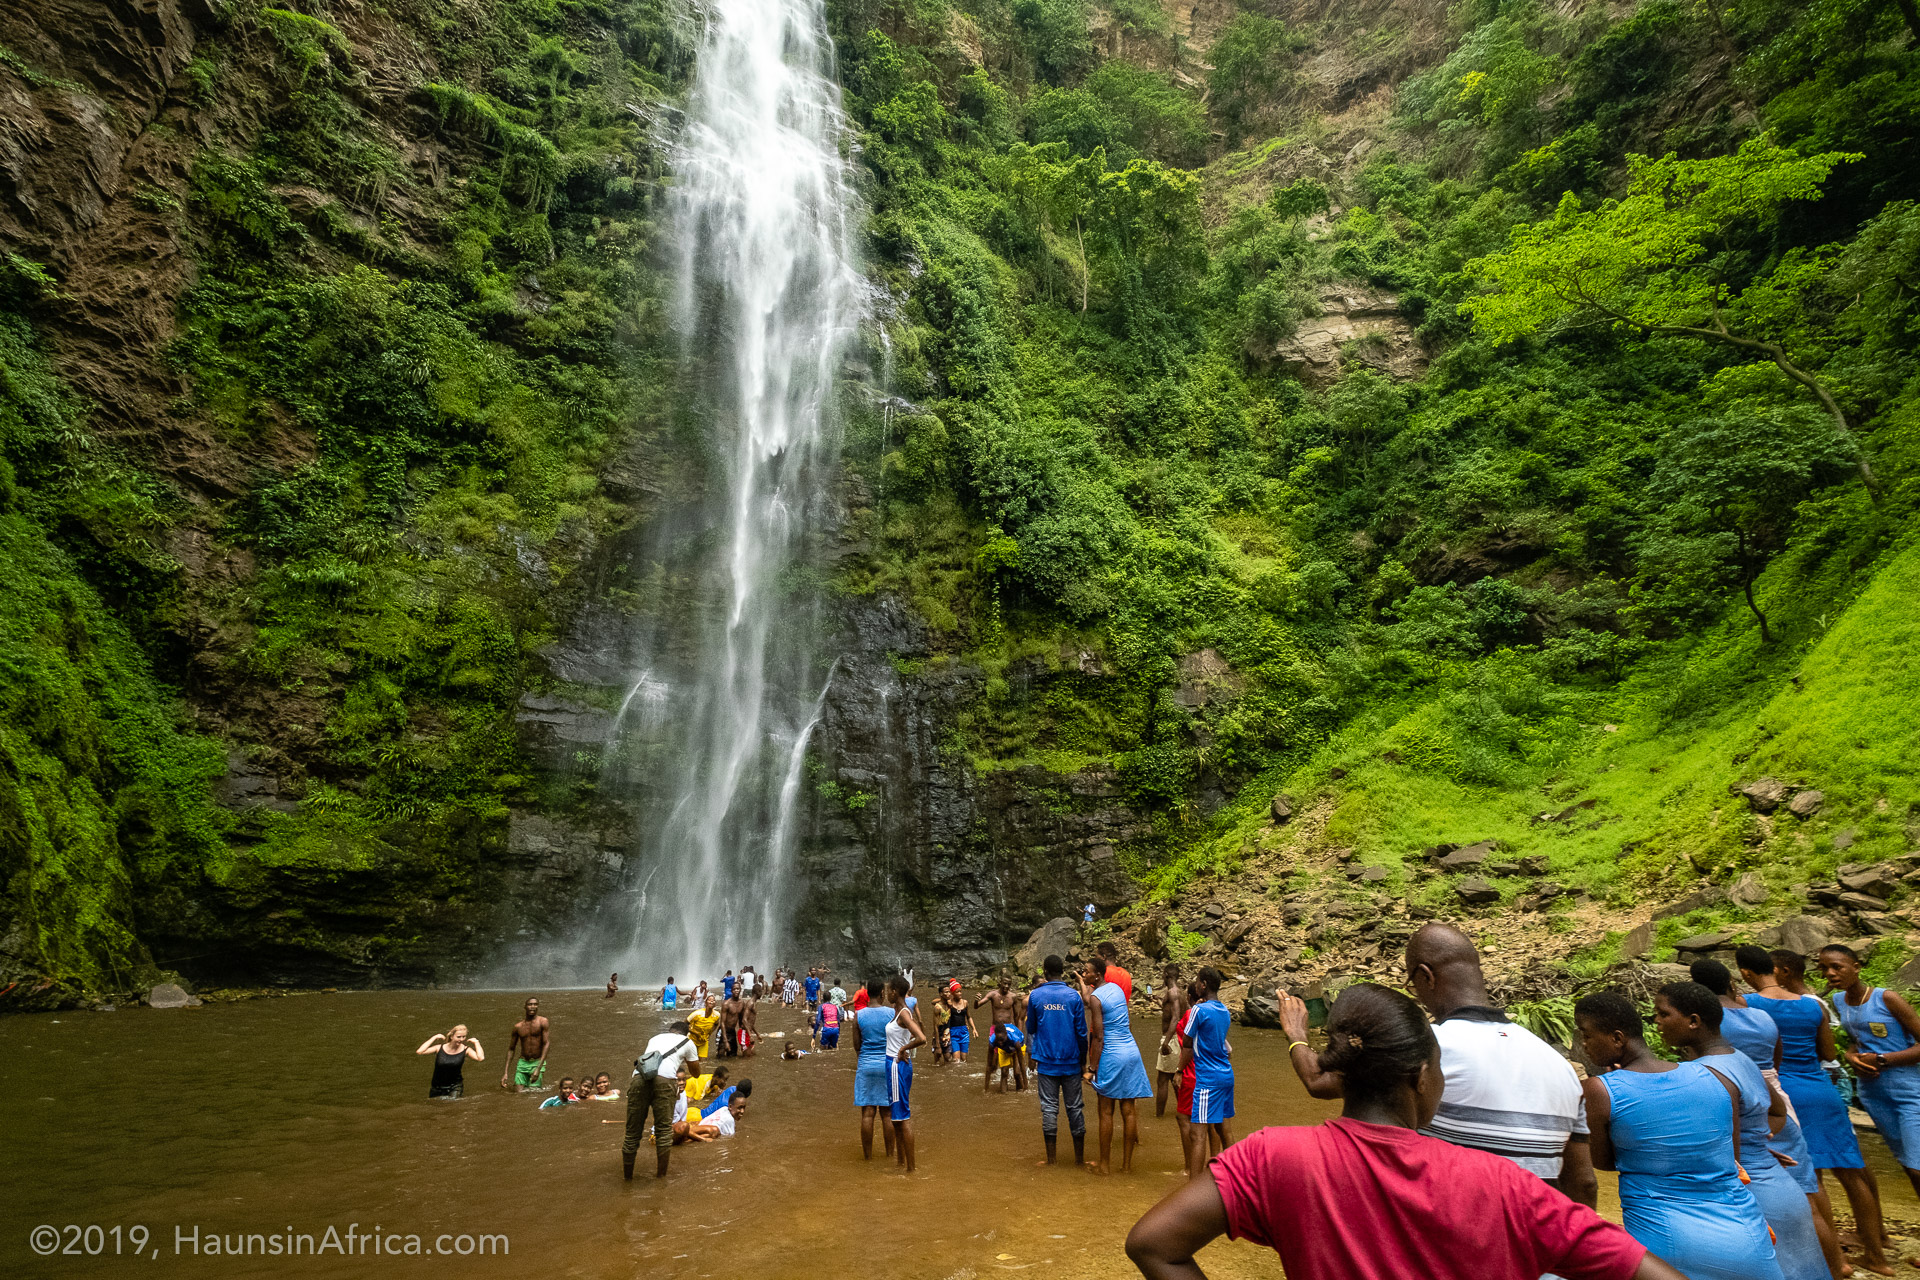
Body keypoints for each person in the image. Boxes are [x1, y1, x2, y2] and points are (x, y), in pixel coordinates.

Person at [1124, 984, 1688, 1280]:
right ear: (1422, 1077)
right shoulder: (1503, 1186)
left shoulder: (1274, 1157)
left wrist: (1296, 1037)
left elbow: (1153, 1244)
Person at [1574, 990, 1784, 1280]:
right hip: (1745, 1230)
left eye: (1586, 1035)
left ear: (1618, 1039)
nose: (1584, 1045)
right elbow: (1731, 1157)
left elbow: (1606, 1162)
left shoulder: (1600, 1090)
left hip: (1665, 1236)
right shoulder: (1714, 1077)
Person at [1392, 924, 1595, 1204]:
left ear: (1426, 977)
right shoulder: (1560, 1065)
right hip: (1533, 1237)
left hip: (1457, 1233)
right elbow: (1584, 1183)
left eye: (1412, 985)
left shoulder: (1428, 1047)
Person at [1653, 981, 1827, 1280]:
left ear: (1693, 1021)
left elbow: (1725, 1158)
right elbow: (1777, 1111)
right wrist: (1756, 1143)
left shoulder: (1702, 1072)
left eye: (1663, 1014)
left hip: (1752, 1197)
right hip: (1780, 1189)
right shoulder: (1739, 1058)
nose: (1656, 1022)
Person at [1743, 947, 1892, 1274]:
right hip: (1821, 1088)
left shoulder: (1749, 1004)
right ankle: (1877, 1257)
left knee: (1813, 1180)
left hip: (1789, 1091)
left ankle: (1833, 1261)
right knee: (1853, 1174)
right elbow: (1827, 1052)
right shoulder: (1813, 1005)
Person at [1698, 954, 1846, 1278]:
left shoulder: (1711, 1022)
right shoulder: (1761, 1015)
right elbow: (1775, 1063)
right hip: (1780, 1102)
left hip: (1741, 1109)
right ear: (1731, 981)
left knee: (1752, 1196)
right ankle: (1836, 1267)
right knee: (1806, 1195)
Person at [1823, 944, 1920, 1204]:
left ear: (1856, 967)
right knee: (1904, 1161)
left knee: (1917, 1165)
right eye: (1824, 968)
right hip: (1874, 1092)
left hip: (1910, 1090)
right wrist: (1850, 1056)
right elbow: (1858, 1041)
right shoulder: (1838, 1000)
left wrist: (1881, 1059)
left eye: (1837, 967)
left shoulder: (1887, 998)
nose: (1830, 973)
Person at [1083, 954, 1151, 1175]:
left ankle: (1104, 1166)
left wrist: (1091, 1069)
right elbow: (1127, 1022)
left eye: (1087, 971)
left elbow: (1099, 1036)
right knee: (1129, 1110)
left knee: (1105, 1111)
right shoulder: (1117, 990)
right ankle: (1127, 1166)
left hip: (1112, 1053)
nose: (1084, 974)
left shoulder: (1096, 997)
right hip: (1131, 1050)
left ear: (1097, 975)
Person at [1027, 953, 1089, 1165]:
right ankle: (1079, 1161)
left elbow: (1031, 1028)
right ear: (1062, 971)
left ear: (1044, 972)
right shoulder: (1074, 997)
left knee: (1049, 1108)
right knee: (1074, 1108)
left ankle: (1051, 1160)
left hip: (1046, 1060)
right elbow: (1082, 1032)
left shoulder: (1035, 997)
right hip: (1071, 1060)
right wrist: (1083, 1061)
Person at [623, 1020, 701, 1179]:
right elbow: (696, 1073)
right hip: (665, 1081)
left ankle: (627, 1179)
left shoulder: (655, 1038)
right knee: (664, 1131)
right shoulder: (687, 1041)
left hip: (638, 1078)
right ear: (686, 1033)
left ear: (670, 1030)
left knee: (632, 1134)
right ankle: (661, 1179)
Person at [1180, 966, 1234, 1178]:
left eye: (1197, 981)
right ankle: (1234, 1176)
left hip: (1207, 1078)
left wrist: (1178, 1070)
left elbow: (1186, 1041)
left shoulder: (1198, 1011)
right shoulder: (1224, 1010)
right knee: (1223, 1130)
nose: (1195, 984)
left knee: (1197, 1134)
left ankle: (1193, 1186)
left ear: (1203, 985)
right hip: (1226, 1075)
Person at [885, 975, 928, 1172]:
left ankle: (911, 1168)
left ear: (895, 991)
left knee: (902, 1117)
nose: (886, 993)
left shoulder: (903, 1013)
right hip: (896, 1066)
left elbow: (921, 1037)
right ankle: (901, 1163)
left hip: (896, 1065)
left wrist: (903, 1049)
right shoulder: (899, 1012)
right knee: (897, 1118)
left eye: (888, 990)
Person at [852, 979, 896, 1159]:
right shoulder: (892, 1013)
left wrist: (864, 1060)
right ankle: (889, 1155)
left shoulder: (859, 1015)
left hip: (866, 1065)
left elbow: (857, 1045)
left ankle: (868, 1157)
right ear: (883, 994)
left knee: (868, 1113)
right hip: (886, 1064)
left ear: (867, 994)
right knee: (887, 1114)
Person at [1155, 964, 1187, 1119]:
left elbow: (1175, 1018)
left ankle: (1159, 1117)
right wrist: (1158, 1002)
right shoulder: (1180, 993)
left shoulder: (1172, 993)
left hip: (1171, 1038)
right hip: (1178, 1038)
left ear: (1166, 974)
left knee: (1162, 1080)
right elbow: (1177, 1013)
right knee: (1175, 1078)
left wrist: (1166, 1042)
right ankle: (1184, 1111)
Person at [417, 1025, 484, 1098]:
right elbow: (420, 1051)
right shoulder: (439, 1048)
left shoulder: (466, 1050)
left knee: (453, 1106)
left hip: (455, 1087)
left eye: (464, 1037)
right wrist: (434, 1037)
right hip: (437, 1086)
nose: (461, 1039)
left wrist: (476, 1043)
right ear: (452, 1036)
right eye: (458, 1037)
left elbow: (480, 1058)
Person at [502, 997, 552, 1092]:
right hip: (523, 1063)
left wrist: (538, 1068)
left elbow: (546, 1044)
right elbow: (511, 1049)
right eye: (530, 1004)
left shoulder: (543, 1022)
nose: (532, 1007)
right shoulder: (518, 1027)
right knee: (518, 1094)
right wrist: (505, 1073)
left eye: (535, 1004)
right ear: (525, 1007)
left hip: (537, 1062)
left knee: (533, 1094)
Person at [687, 996, 720, 1060]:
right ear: (705, 1003)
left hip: (703, 1040)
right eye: (709, 1000)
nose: (711, 1001)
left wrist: (710, 1033)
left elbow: (716, 1024)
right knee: (691, 1061)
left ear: (715, 1004)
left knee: (703, 1063)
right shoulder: (697, 1013)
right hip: (692, 1039)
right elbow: (684, 1024)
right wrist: (696, 1033)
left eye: (713, 1000)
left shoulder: (717, 1015)